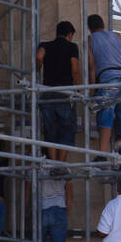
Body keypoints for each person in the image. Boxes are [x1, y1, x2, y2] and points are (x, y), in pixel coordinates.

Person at [88, 14, 121, 156]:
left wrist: (92, 90)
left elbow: (92, 67)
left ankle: (102, 155)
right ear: (103, 24)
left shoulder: (90, 40)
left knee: (105, 117)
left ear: (89, 28)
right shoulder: (117, 36)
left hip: (108, 79)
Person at [36, 20, 81, 161]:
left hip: (47, 92)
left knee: (50, 130)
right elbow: (75, 69)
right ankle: (60, 165)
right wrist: (79, 89)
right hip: (65, 93)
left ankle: (52, 161)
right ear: (69, 34)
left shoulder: (45, 45)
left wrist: (38, 66)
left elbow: (39, 56)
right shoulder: (72, 47)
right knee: (67, 129)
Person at [38, 164, 73, 242]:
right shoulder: (65, 168)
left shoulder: (37, 166)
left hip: (41, 209)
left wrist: (26, 211)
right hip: (59, 209)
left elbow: (28, 188)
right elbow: (70, 193)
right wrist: (66, 212)